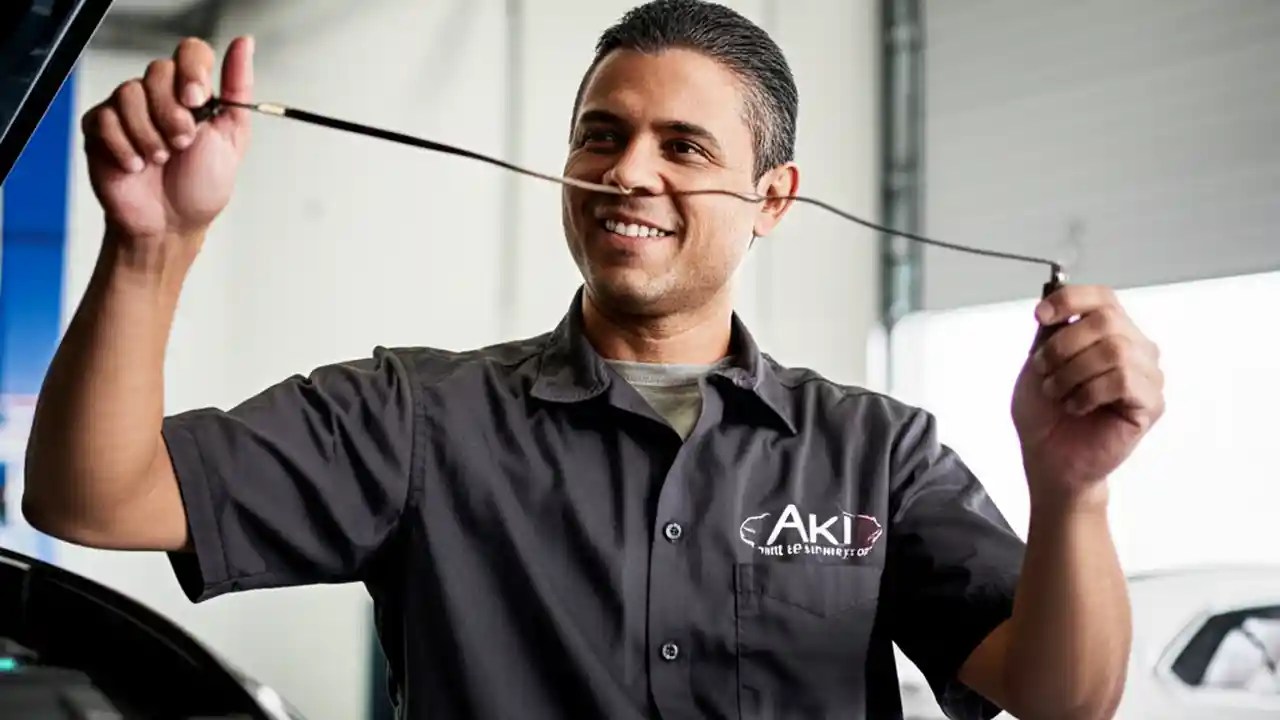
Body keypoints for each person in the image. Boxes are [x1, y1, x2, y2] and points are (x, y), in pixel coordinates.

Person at [23, 1, 1166, 718]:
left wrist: (1072, 489)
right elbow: (94, 499)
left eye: (683, 146)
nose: (629, 173)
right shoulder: (414, 415)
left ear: (771, 199)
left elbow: (1064, 698)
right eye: (601, 133)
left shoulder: (875, 451)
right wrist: (150, 244)